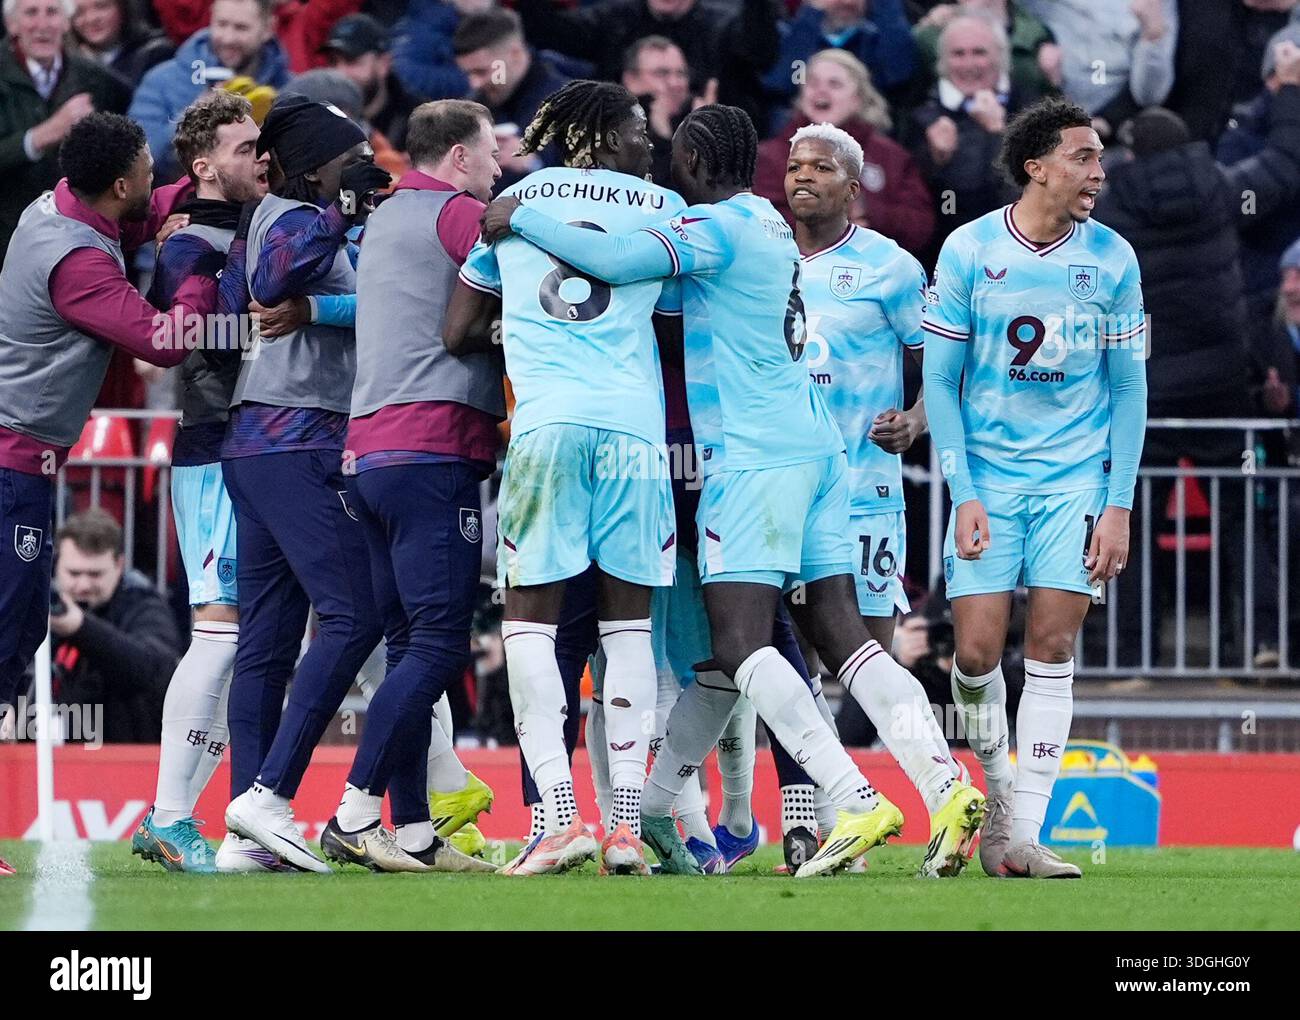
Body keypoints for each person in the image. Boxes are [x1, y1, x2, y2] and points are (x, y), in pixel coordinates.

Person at [484, 102, 984, 880]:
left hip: (756, 459)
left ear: (695, 160)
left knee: (739, 642)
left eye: (674, 154)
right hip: (819, 448)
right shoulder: (768, 227)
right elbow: (676, 307)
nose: (664, 167)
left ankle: (851, 801)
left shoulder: (713, 229)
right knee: (843, 636)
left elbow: (614, 264)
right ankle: (946, 787)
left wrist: (521, 216)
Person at [446, 80, 684, 877]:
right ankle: (622, 824)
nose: (652, 142)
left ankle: (556, 817)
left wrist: (524, 335)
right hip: (634, 434)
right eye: (641, 130)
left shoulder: (514, 201)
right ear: (608, 138)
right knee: (627, 633)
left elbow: (458, 329)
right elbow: (680, 319)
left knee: (532, 626)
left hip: (546, 426)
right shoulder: (660, 204)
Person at [922, 96, 1148, 878]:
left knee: (1051, 645)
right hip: (986, 478)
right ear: (1037, 166)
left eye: (1099, 159)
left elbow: (1129, 391)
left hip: (1074, 481)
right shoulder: (967, 249)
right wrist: (964, 490)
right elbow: (940, 381)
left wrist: (1116, 505)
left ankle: (1023, 832)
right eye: (1084, 158)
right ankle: (997, 803)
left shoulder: (1114, 258)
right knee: (978, 652)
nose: (1098, 171)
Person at [316, 99, 505, 875]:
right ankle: (355, 813)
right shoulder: (461, 215)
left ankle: (416, 829)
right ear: (459, 158)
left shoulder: (382, 219)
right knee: (438, 646)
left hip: (366, 455)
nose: (499, 170)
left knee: (405, 648)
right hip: (433, 454)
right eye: (491, 153)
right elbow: (520, 292)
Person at [218, 96, 391, 874]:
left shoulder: (310, 213)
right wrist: (338, 216)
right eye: (347, 156)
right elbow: (269, 278)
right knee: (355, 615)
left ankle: (241, 838)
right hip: (297, 439)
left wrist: (321, 302)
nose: (357, 167)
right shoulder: (292, 212)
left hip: (264, 441)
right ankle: (269, 797)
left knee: (267, 642)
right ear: (319, 161)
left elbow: (327, 299)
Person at [0, 112, 199, 777]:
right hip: (13, 464)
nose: (157, 178)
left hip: (24, 462)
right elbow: (163, 343)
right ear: (119, 184)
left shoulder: (61, 208)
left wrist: (205, 190)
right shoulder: (78, 262)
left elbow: (145, 213)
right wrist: (192, 268)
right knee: (7, 639)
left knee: (20, 630)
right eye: (149, 171)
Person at [129, 90, 275, 875]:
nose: (261, 155)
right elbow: (182, 337)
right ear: (204, 164)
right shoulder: (191, 247)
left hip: (261, 448)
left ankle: (217, 816)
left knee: (256, 638)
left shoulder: (243, 225)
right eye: (245, 145)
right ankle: (171, 813)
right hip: (215, 447)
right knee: (219, 633)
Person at [754, 48, 933, 257]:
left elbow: (921, 227)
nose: (821, 91)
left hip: (876, 276)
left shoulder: (891, 157)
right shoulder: (771, 156)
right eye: (813, 83)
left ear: (858, 99)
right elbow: (764, 224)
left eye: (834, 84)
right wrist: (836, 218)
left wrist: (871, 211)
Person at [1, 0, 133, 257]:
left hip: (78, 241)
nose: (42, 25)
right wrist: (41, 136)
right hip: (8, 240)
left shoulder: (97, 79)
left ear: (66, 22)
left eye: (52, 12)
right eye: (31, 13)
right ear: (12, 24)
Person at [515, 0, 779, 126]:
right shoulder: (616, 18)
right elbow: (546, 31)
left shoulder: (725, 24)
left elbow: (762, 54)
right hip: (615, 142)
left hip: (705, 145)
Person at [48, 509, 182, 743]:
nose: (83, 585)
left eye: (95, 574)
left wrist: (80, 627)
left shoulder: (141, 603)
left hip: (123, 752)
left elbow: (156, 670)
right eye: (74, 573)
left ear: (119, 565)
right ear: (57, 564)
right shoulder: (36, 607)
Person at [903, 10, 1025, 263]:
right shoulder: (921, 114)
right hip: (944, 254)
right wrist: (933, 159)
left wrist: (999, 133)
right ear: (943, 62)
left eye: (979, 52)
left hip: (1016, 249)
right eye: (958, 54)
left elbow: (1029, 194)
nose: (969, 64)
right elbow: (913, 206)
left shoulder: (1030, 105)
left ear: (1001, 58)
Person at [128, 0, 291, 179]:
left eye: (241, 28)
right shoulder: (162, 80)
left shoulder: (287, 87)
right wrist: (195, 118)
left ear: (268, 28)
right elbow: (138, 161)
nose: (228, 38)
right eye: (221, 24)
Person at [1018, 0, 1177, 135]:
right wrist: (1034, 42)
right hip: (1039, 105)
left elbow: (1150, 95)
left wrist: (1152, 36)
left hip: (1116, 120)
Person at [452, 8, 571, 183]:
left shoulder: (570, 105)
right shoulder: (475, 105)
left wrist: (534, 165)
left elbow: (589, 186)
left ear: (515, 54)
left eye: (482, 71)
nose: (474, 83)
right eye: (468, 74)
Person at [763, 0, 917, 109]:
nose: (848, 2)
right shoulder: (790, 34)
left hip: (864, 131)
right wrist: (810, 17)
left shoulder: (875, 37)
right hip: (802, 129)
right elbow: (785, 84)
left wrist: (886, 6)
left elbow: (899, 75)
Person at [323, 13, 421, 152]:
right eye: (333, 62)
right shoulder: (321, 119)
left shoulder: (419, 122)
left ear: (383, 64)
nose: (340, 73)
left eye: (352, 60)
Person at [621, 35, 697, 188]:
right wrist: (661, 138)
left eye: (681, 74)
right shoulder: (613, 129)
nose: (675, 83)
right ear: (631, 79)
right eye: (661, 73)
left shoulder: (695, 121)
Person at [70, 0, 174, 85]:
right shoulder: (71, 68)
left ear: (123, 8)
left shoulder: (157, 55)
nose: (91, 19)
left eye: (101, 7)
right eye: (79, 13)